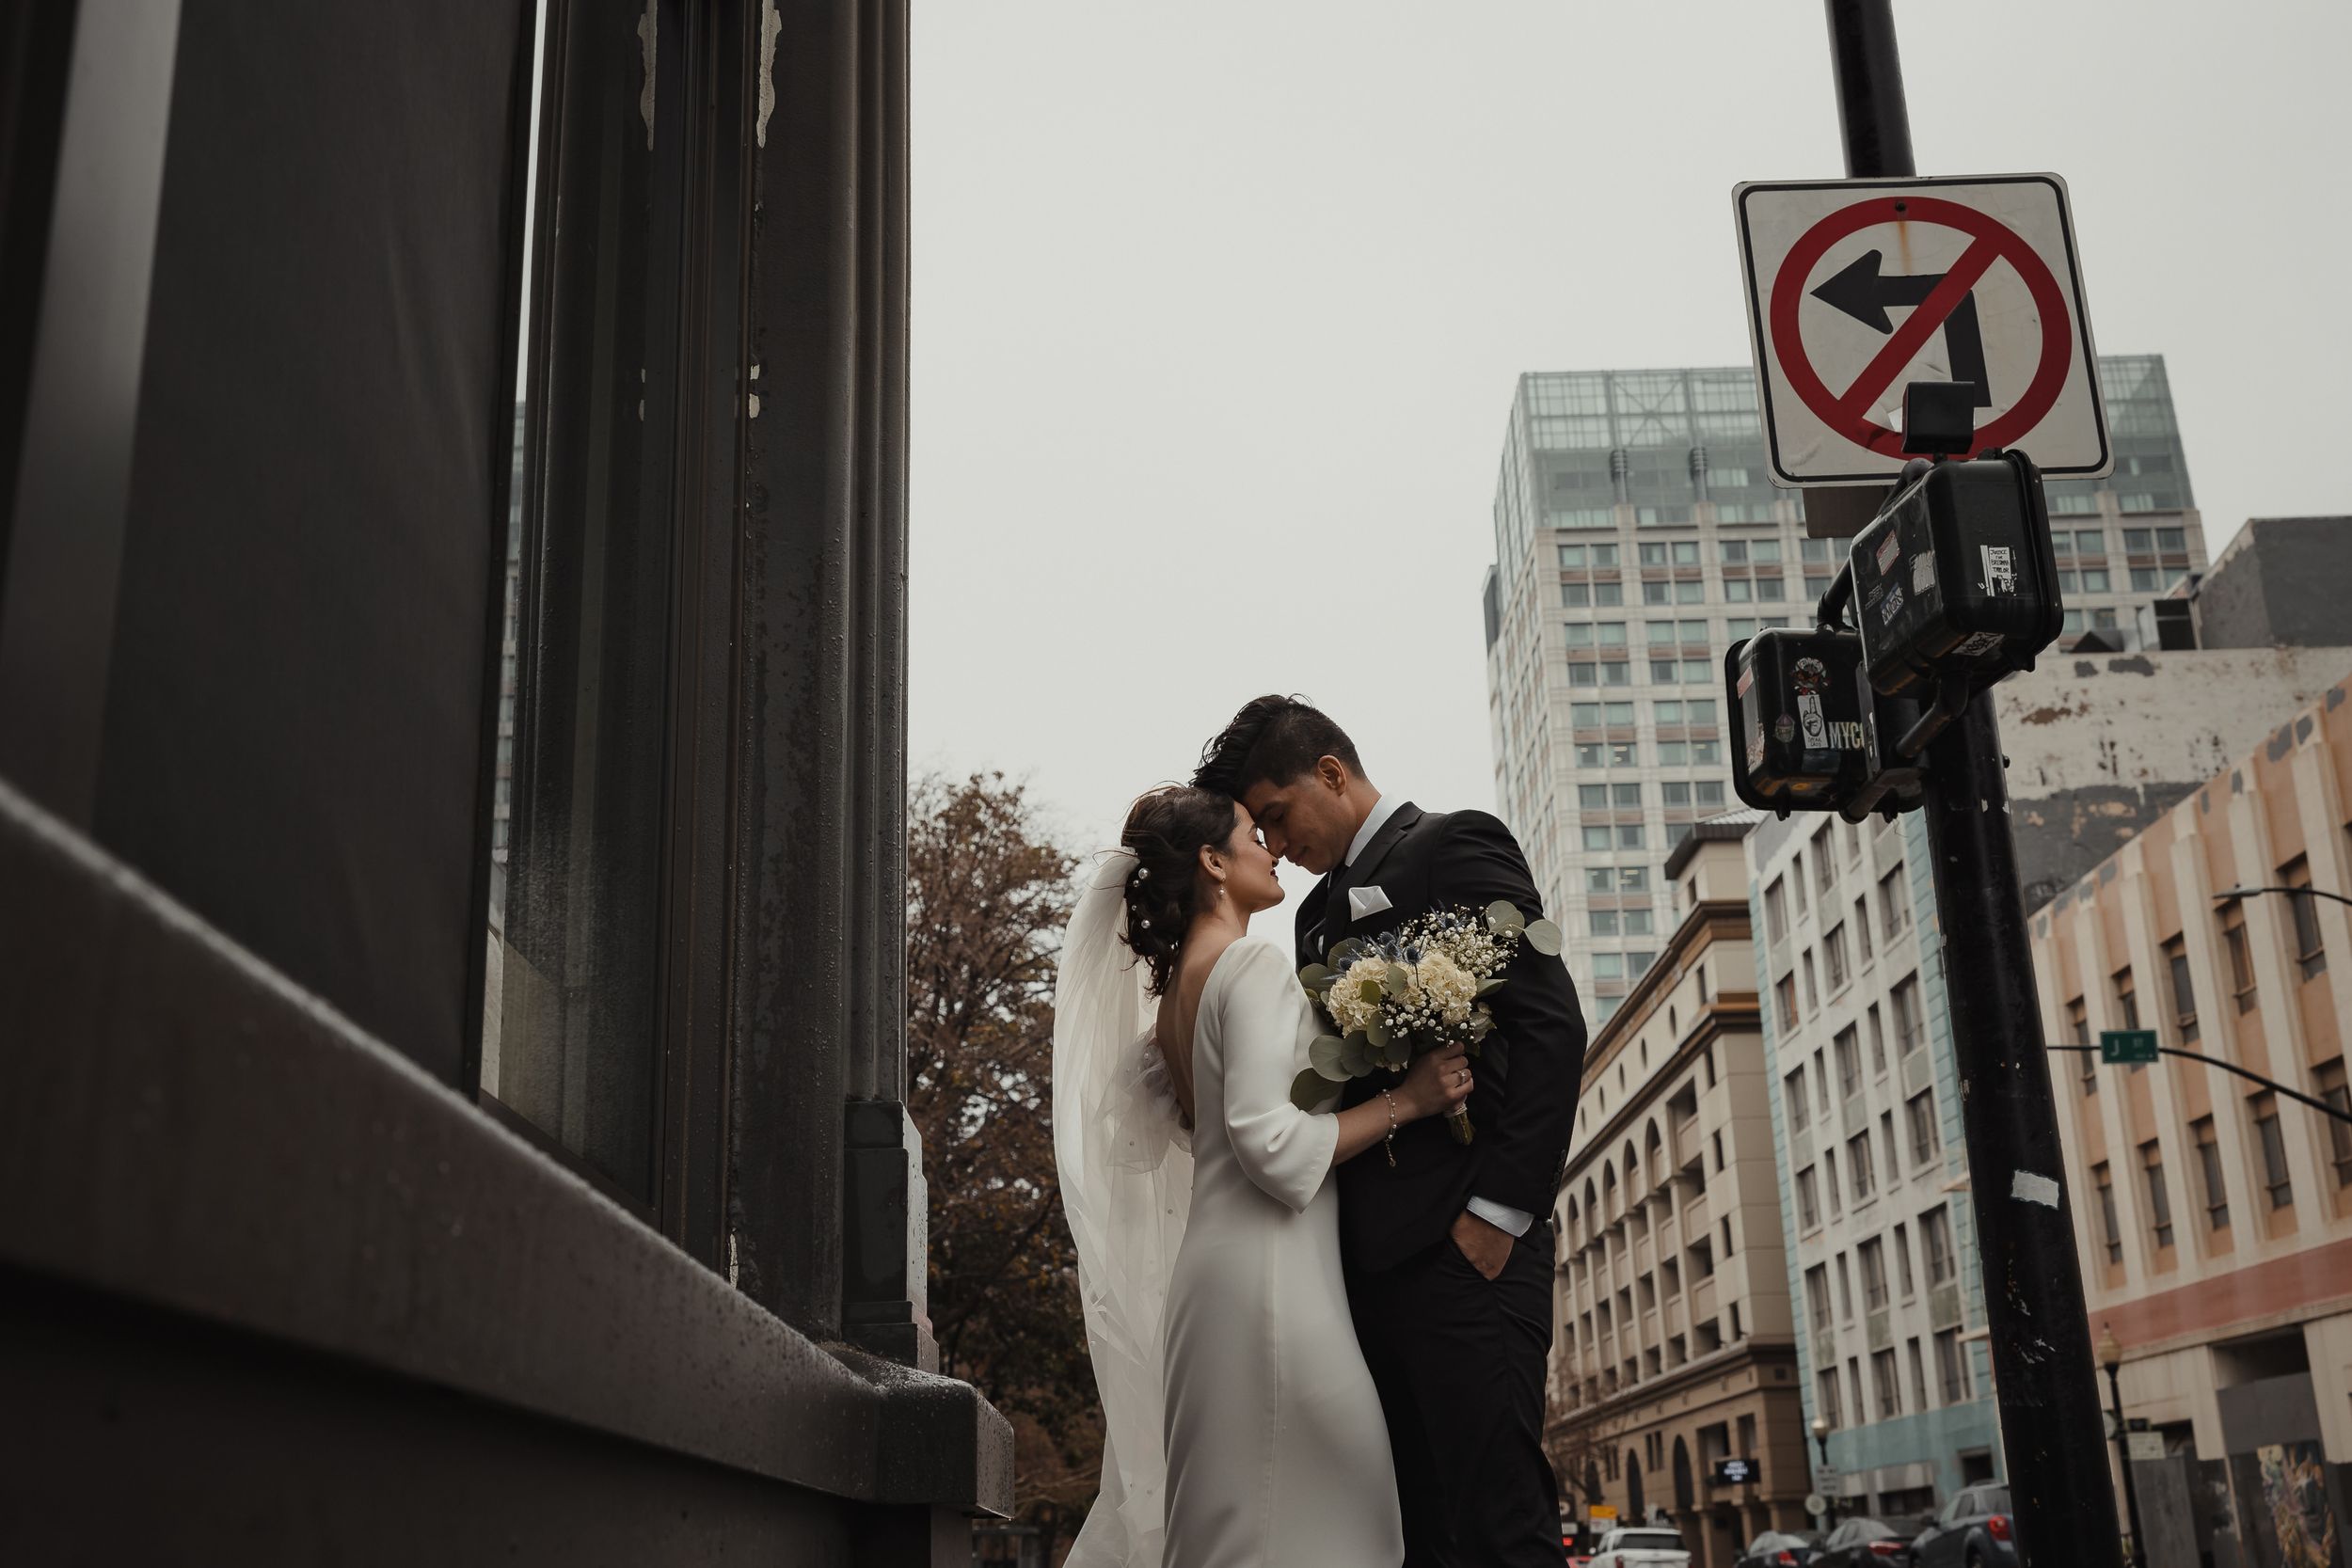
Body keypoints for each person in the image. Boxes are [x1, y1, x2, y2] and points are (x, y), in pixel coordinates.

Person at [1193, 695, 1587, 1568]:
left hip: (1469, 1253)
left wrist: (1498, 1215)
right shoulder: (1310, 919)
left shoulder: (1455, 843)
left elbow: (1553, 1028)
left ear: (1331, 773)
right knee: (1415, 1538)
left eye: (1278, 816)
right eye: (1261, 828)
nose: (1277, 844)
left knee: (1500, 1525)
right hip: (1362, 1277)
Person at [1055, 784, 1473, 1568]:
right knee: (1345, 1517)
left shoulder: (1178, 993)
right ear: (1214, 863)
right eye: (1254, 834)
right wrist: (1407, 1101)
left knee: (1246, 1530)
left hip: (1221, 1284)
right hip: (1273, 1289)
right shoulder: (1246, 962)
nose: (1271, 848)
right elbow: (1267, 1142)